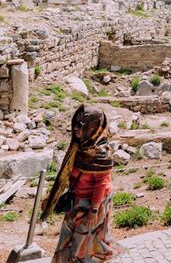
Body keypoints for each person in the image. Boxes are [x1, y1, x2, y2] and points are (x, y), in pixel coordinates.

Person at [41, 104, 122, 262]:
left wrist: (93, 211)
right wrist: (53, 198)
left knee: (85, 245)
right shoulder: (80, 146)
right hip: (76, 200)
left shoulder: (101, 153)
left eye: (81, 125)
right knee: (67, 240)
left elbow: (102, 183)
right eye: (74, 124)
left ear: (93, 126)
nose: (76, 129)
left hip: (94, 204)